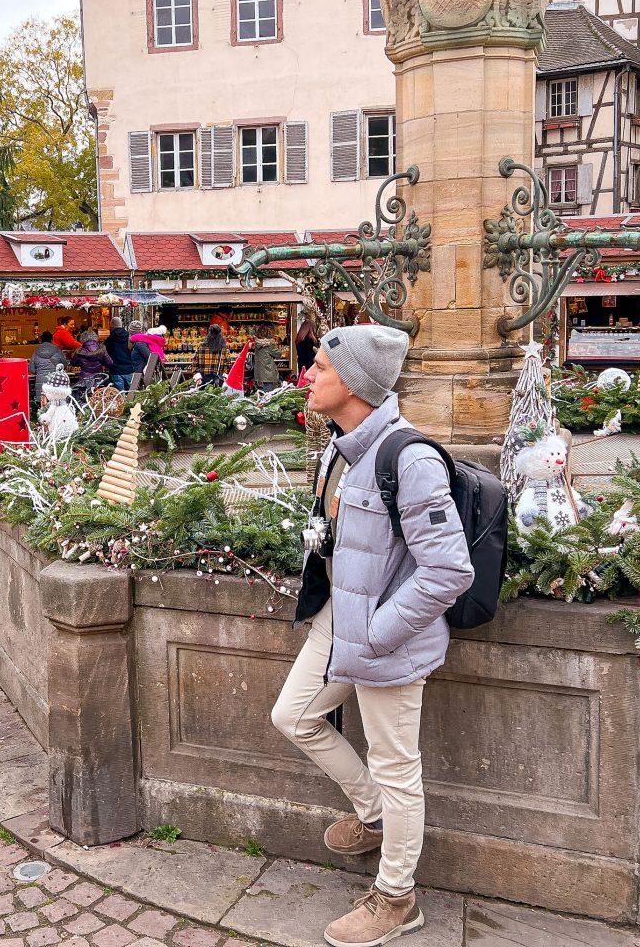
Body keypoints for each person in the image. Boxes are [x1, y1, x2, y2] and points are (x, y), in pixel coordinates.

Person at [270, 325, 473, 947]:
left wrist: (380, 633)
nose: (307, 375)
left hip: (388, 638)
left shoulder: (409, 460)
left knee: (396, 766)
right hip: (340, 621)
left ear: (355, 383)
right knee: (293, 716)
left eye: (321, 367)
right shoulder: (339, 450)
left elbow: (448, 570)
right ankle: (374, 813)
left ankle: (396, 897)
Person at [28, 332, 69, 405]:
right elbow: (64, 364)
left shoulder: (37, 351)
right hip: (55, 382)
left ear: (41, 340)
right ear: (52, 339)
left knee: (43, 408)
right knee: (56, 406)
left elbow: (31, 369)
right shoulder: (57, 350)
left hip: (41, 384)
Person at [73, 331, 112, 400]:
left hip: (84, 380)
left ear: (82, 339)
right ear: (95, 338)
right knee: (99, 399)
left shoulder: (79, 351)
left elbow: (73, 363)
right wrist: (102, 362)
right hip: (99, 379)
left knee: (84, 399)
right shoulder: (102, 350)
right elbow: (109, 363)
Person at [106, 321, 137, 390]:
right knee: (132, 393)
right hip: (129, 368)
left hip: (116, 370)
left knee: (119, 394)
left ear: (112, 326)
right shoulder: (129, 337)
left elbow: (106, 354)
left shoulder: (110, 339)